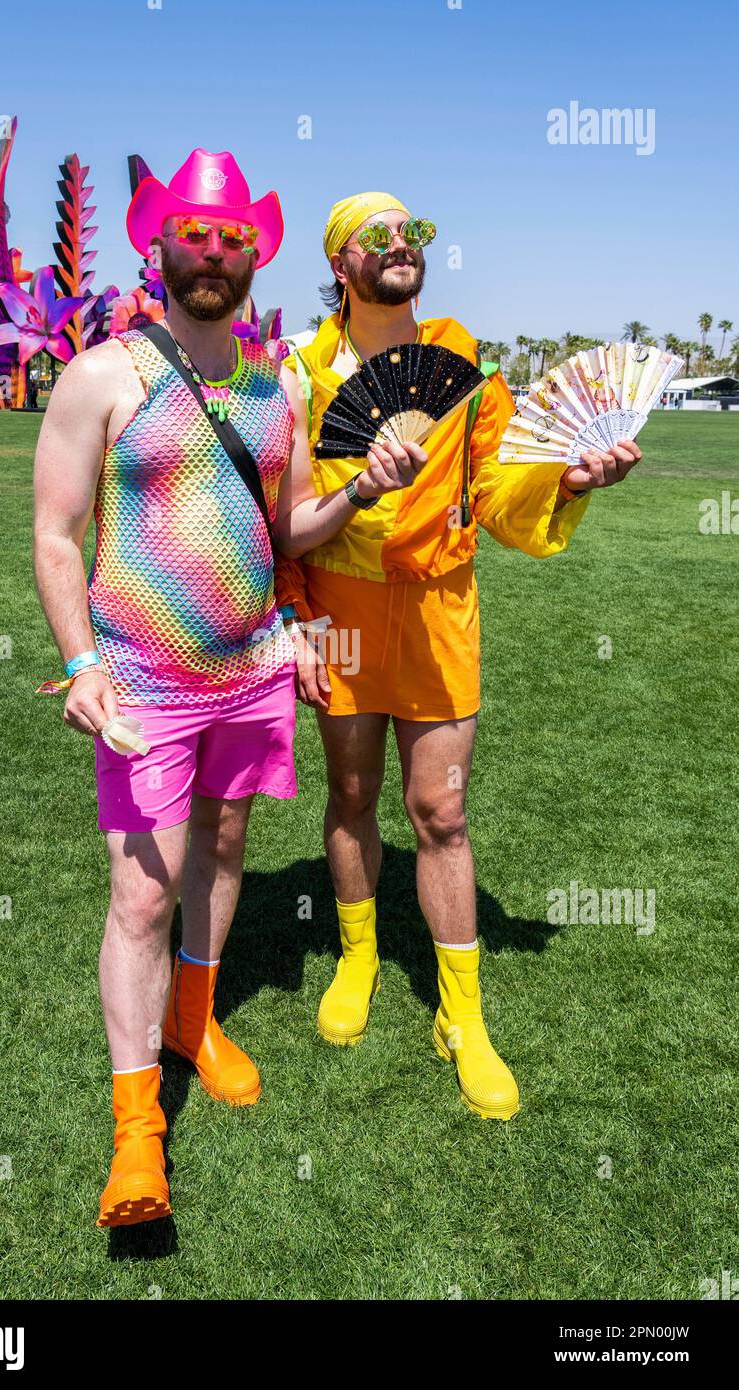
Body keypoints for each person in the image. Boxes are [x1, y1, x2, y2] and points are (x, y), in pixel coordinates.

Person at [32, 153, 424, 1227]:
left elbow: (286, 525)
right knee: (141, 893)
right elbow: (55, 536)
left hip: (249, 673)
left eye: (232, 238)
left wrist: (358, 491)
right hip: (143, 684)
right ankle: (135, 1134)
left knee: (227, 849)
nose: (213, 254)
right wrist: (81, 663)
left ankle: (193, 1022)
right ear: (156, 244)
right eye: (194, 236)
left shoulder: (272, 390)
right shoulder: (102, 376)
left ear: (256, 252)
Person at [272, 192, 642, 1122]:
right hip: (344, 611)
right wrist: (299, 618)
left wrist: (565, 476)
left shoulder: (465, 362)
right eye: (378, 236)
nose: (401, 246)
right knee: (351, 794)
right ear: (340, 263)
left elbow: (498, 489)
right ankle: (358, 957)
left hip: (441, 610)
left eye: (414, 233)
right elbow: (284, 522)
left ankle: (464, 1019)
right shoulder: (304, 371)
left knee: (439, 809)